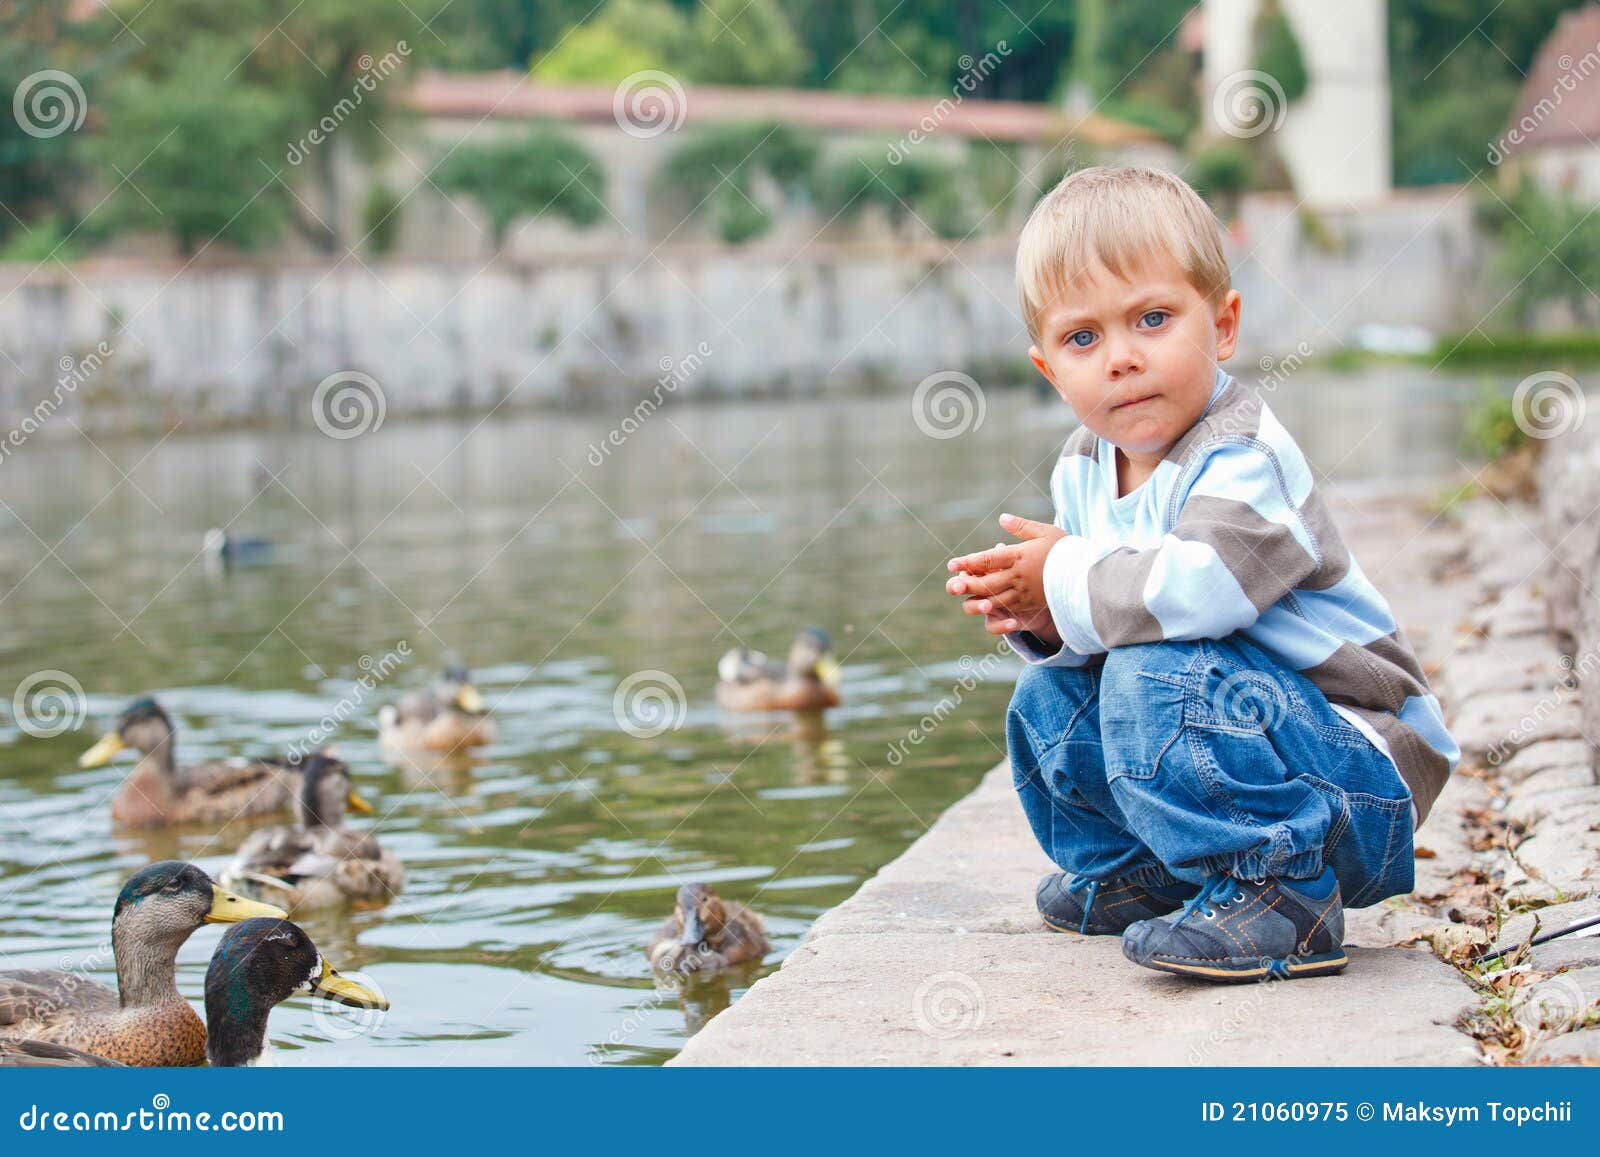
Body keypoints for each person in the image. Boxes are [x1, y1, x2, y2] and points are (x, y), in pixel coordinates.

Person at [944, 165, 1458, 983]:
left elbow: (1197, 593)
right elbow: (1107, 624)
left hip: (1357, 772)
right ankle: (1154, 867)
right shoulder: (1085, 466)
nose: (1121, 359)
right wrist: (1041, 615)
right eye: (1084, 339)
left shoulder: (1242, 453)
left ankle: (1285, 891)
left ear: (1221, 326)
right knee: (1049, 699)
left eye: (1152, 318)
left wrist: (1068, 574)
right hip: (1253, 751)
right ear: (1049, 369)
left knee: (1159, 665)